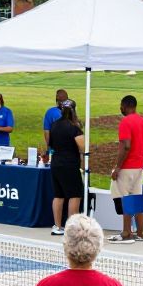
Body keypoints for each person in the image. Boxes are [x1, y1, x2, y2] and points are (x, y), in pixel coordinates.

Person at [109, 95, 143, 243]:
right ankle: (141, 232)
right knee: (136, 197)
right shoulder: (142, 121)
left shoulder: (125, 122)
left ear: (125, 106)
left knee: (125, 199)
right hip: (139, 165)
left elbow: (125, 146)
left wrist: (117, 167)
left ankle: (126, 232)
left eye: (121, 105)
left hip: (127, 166)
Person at [48, 101, 84, 236]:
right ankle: (71, 227)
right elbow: (82, 147)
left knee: (59, 195)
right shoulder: (74, 127)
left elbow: (50, 143)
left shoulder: (54, 125)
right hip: (69, 164)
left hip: (56, 162)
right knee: (74, 195)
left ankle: (57, 226)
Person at [41, 89, 69, 156]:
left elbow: (47, 131)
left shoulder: (50, 112)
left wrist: (48, 147)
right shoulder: (71, 112)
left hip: (54, 147)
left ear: (57, 100)